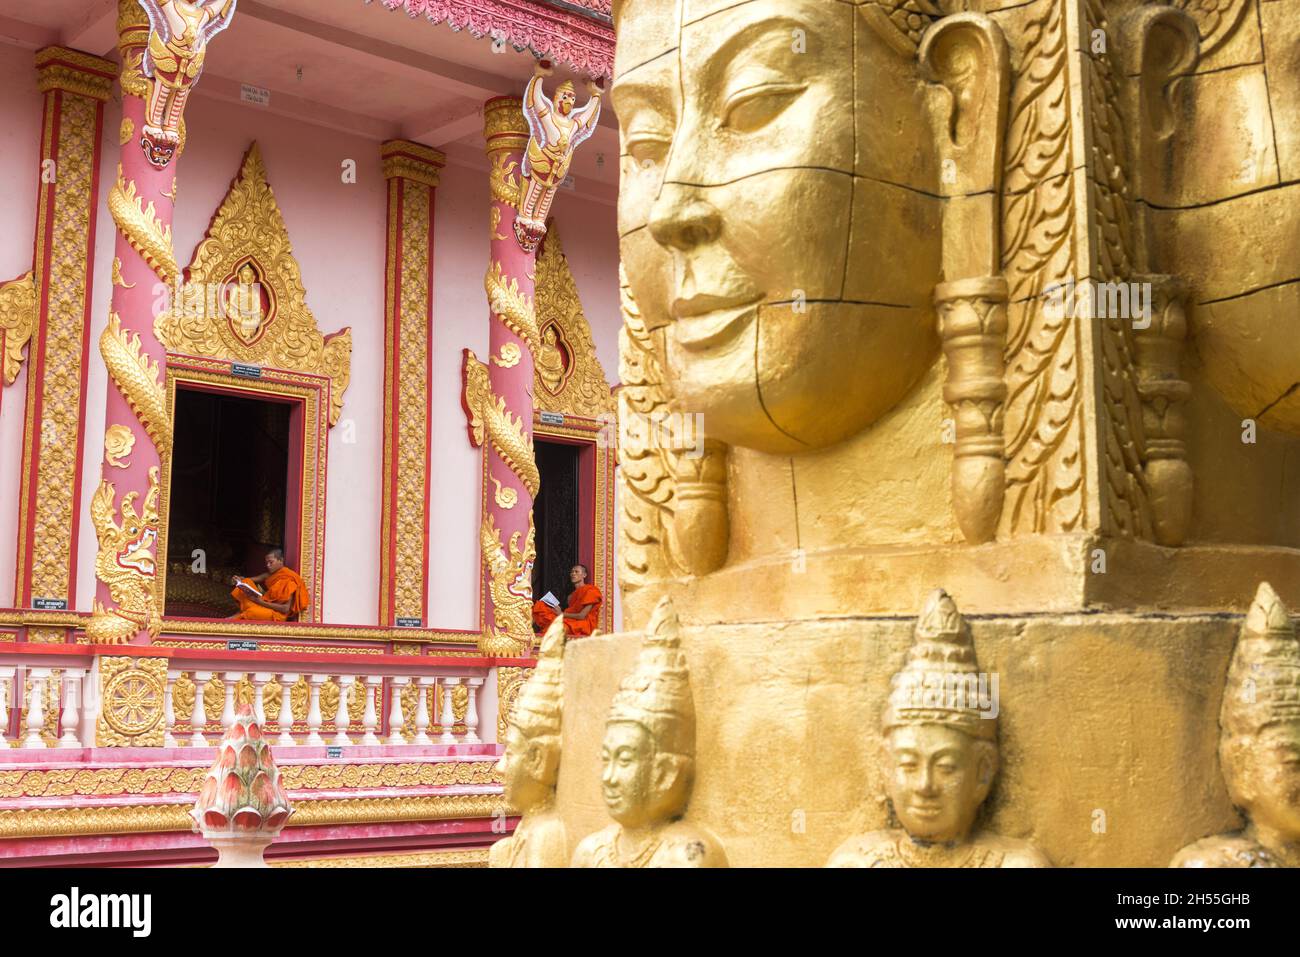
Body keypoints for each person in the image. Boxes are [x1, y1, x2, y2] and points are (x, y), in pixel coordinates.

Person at [228, 548, 310, 621]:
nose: (268, 565)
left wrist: (260, 602)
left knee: (252, 612)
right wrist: (239, 579)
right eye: (266, 563)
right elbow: (249, 579)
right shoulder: (269, 575)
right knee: (246, 581)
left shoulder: (289, 579)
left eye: (271, 562)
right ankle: (241, 611)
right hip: (262, 604)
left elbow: (285, 609)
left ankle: (239, 616)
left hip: (275, 613)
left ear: (281, 560)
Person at [533, 564, 602, 637]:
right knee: (540, 606)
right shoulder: (570, 596)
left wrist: (561, 614)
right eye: (572, 572)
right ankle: (527, 633)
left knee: (557, 628)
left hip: (584, 624)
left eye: (576, 572)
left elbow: (582, 616)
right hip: (570, 620)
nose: (573, 574)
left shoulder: (591, 591)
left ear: (584, 575)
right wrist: (557, 611)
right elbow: (571, 612)